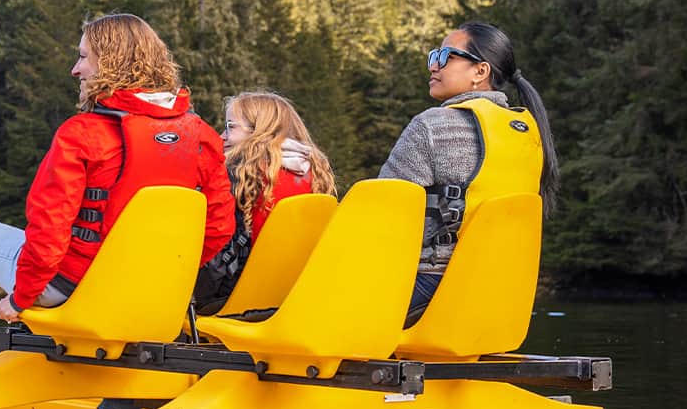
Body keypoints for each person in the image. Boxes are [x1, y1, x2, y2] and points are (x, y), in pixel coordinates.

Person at [0, 13, 235, 341]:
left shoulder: (84, 134)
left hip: (74, 288)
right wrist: (160, 277)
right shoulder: (200, 134)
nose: (76, 69)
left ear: (109, 63)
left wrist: (20, 299)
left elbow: (50, 230)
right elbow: (219, 228)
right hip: (156, 294)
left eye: (83, 57)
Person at [380, 21, 558, 324]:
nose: (433, 66)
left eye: (445, 56)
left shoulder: (432, 126)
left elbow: (378, 214)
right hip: (502, 291)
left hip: (431, 288)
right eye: (433, 56)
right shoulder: (528, 133)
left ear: (481, 71)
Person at [194, 91, 337, 313]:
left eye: (231, 127)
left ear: (260, 130)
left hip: (235, 299)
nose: (221, 136)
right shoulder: (316, 175)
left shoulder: (238, 172)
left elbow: (218, 256)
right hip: (291, 298)